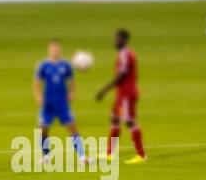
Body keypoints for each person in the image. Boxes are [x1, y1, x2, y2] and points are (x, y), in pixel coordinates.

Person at [94, 29, 147, 164]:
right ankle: (109, 153)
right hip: (122, 95)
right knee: (115, 120)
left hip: (127, 95)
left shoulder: (126, 55)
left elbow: (121, 77)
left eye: (117, 39)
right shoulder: (125, 54)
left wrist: (104, 90)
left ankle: (141, 155)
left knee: (130, 121)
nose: (115, 41)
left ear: (123, 40)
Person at [34, 40, 90, 164]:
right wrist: (38, 96)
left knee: (72, 126)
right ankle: (46, 156)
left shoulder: (66, 65)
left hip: (62, 102)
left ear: (60, 50)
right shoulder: (43, 65)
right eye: (53, 49)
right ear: (49, 50)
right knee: (42, 129)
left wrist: (72, 92)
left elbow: (71, 81)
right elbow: (37, 83)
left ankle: (82, 157)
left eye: (57, 49)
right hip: (48, 102)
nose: (55, 51)